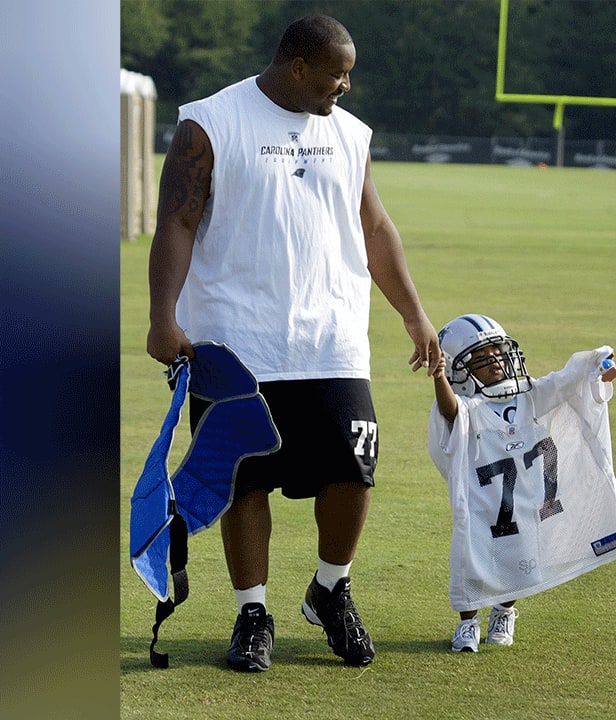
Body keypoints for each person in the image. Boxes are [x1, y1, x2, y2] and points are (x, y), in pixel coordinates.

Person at [146, 14, 441, 673]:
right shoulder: (211, 123)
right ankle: (253, 613)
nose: (345, 86)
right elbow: (177, 221)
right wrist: (163, 317)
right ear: (299, 66)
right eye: (338, 73)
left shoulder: (350, 134)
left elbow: (375, 227)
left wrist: (413, 314)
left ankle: (330, 589)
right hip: (235, 339)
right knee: (244, 482)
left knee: (354, 470)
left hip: (332, 338)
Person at [428, 314, 616, 653]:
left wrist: (594, 369)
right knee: (471, 560)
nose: (495, 361)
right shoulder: (469, 407)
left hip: (525, 499)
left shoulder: (529, 395)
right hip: (483, 504)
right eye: (481, 358)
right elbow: (450, 411)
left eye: (497, 352)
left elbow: (566, 382)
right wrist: (437, 377)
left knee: (522, 562)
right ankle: (468, 623)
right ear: (460, 371)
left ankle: (504, 612)